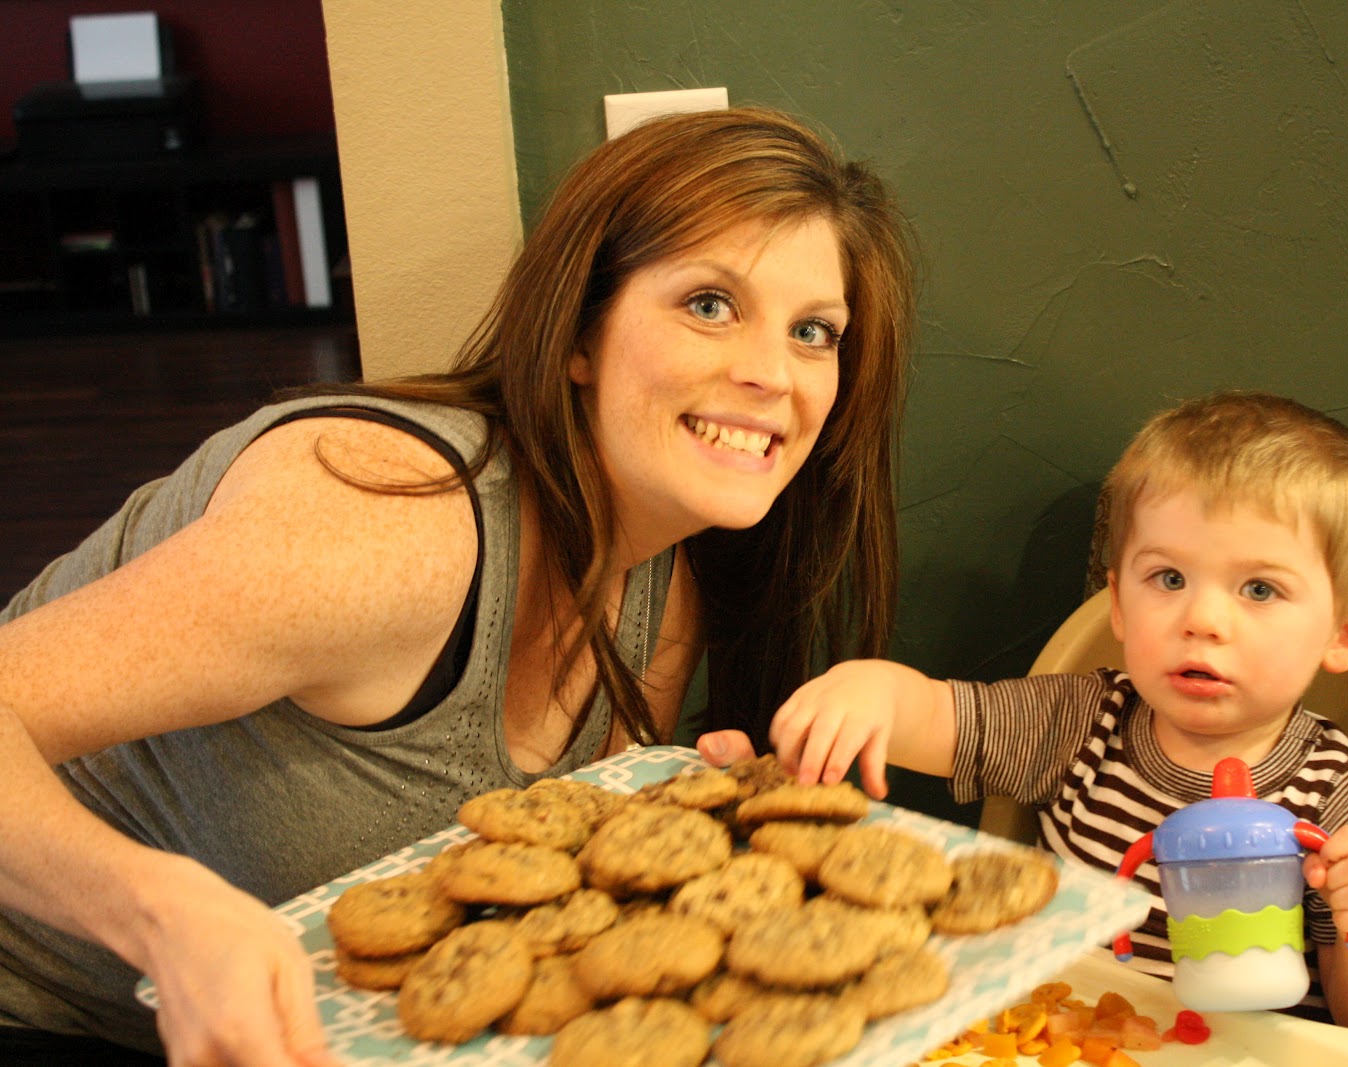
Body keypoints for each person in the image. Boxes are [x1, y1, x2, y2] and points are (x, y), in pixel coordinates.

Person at [0, 106, 916, 1064]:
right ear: (580, 336)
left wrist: (696, 838)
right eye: (709, 304)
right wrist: (159, 912)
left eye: (814, 331)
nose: (774, 372)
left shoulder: (664, 598)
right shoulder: (384, 525)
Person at [702, 391, 1348, 1035]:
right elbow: (936, 718)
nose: (1202, 618)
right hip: (1059, 1036)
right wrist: (873, 691)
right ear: (1117, 601)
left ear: (1344, 634)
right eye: (1168, 578)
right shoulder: (1082, 721)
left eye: (1260, 590)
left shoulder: (1346, 792)